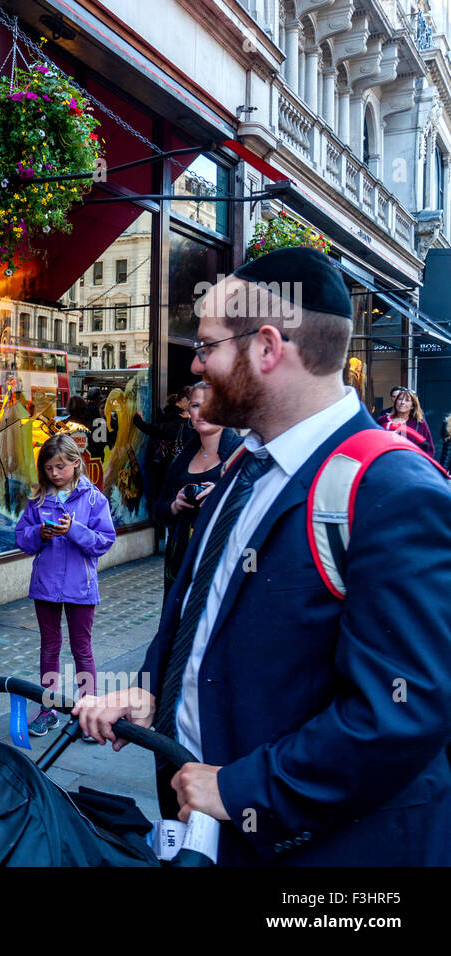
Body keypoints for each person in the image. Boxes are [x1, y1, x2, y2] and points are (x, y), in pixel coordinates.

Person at [75, 247, 451, 865]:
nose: (196, 368)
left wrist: (242, 788)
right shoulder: (244, 466)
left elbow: (401, 713)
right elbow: (202, 619)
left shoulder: (393, 489)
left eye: (207, 347)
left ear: (267, 347)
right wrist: (148, 695)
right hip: (212, 835)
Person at [14, 433, 117, 737]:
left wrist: (74, 530)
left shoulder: (94, 498)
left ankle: (88, 712)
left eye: (60, 467)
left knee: (81, 649)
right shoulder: (38, 499)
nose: (54, 474)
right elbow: (22, 538)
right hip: (46, 584)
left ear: (76, 463)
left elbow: (104, 541)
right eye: (48, 469)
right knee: (49, 646)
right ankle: (48, 709)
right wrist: (39, 535)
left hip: (80, 587)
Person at [152, 382, 241, 599]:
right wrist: (175, 505)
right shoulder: (182, 459)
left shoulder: (241, 453)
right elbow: (159, 510)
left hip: (219, 558)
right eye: (195, 406)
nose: (202, 413)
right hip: (180, 559)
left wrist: (221, 494)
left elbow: (256, 507)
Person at [375, 386, 435, 455]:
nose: (402, 402)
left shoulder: (420, 423)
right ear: (395, 402)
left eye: (407, 400)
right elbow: (375, 442)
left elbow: (429, 449)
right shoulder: (383, 420)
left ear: (412, 405)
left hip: (410, 463)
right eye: (400, 399)